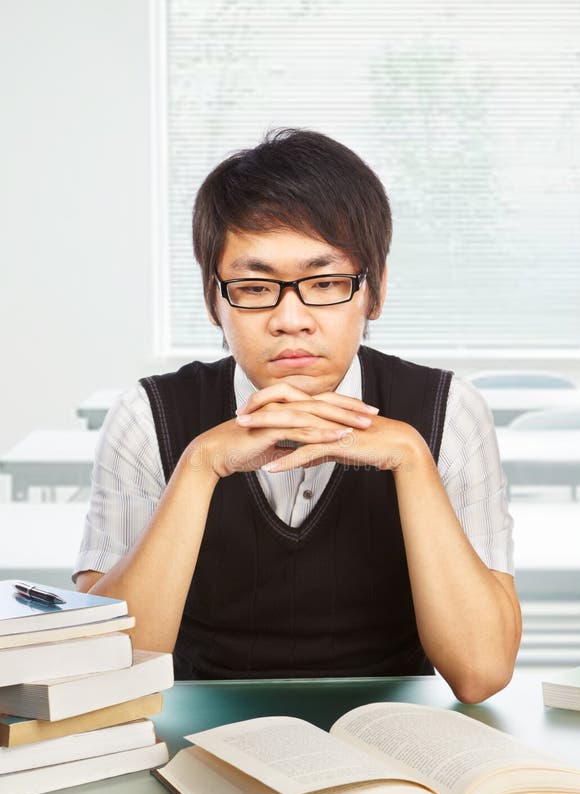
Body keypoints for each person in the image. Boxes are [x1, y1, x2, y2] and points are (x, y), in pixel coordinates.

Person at [74, 128, 521, 703]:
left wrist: (412, 459)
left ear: (376, 290)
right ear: (214, 298)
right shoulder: (146, 415)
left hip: (392, 733)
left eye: (326, 282)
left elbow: (481, 672)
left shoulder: (449, 411)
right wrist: (200, 466)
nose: (291, 319)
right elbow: (108, 673)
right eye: (255, 287)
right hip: (201, 732)